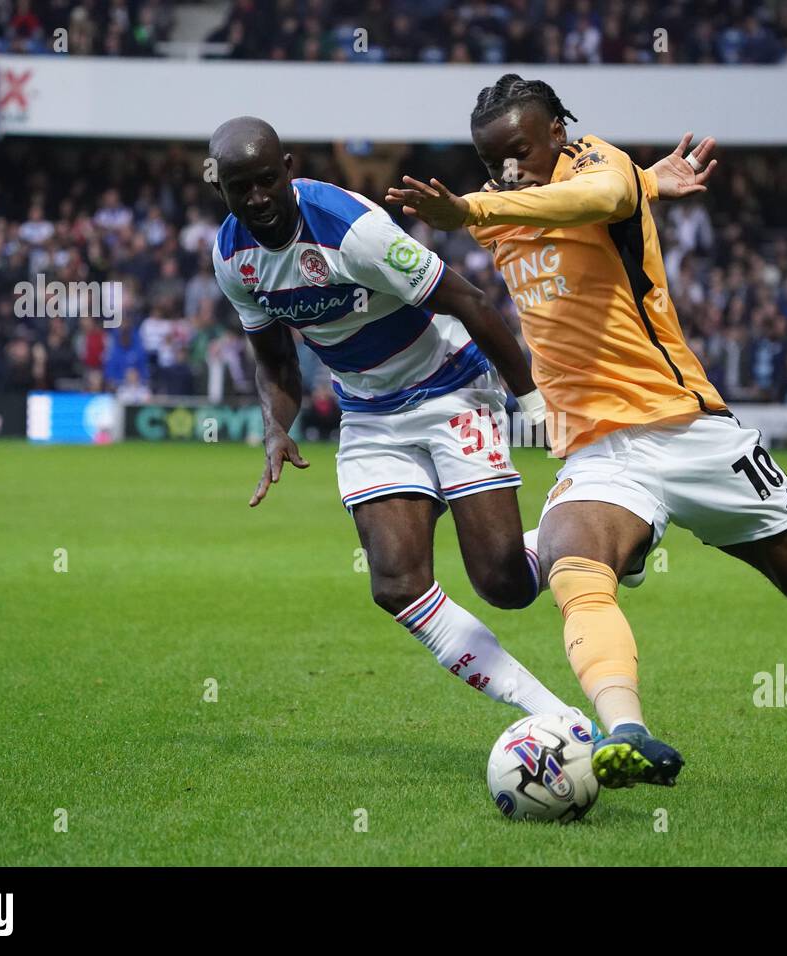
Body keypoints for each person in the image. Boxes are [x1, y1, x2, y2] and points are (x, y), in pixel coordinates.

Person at [387, 75, 787, 793]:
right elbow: (597, 202)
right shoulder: (493, 210)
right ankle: (626, 733)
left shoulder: (586, 166)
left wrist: (630, 184)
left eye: (519, 150)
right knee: (576, 573)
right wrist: (642, 187)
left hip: (690, 429)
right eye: (492, 161)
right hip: (599, 451)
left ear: (557, 134)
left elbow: (605, 199)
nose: (508, 169)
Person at [207, 115, 574, 719]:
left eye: (268, 180)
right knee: (396, 586)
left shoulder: (355, 232)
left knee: (503, 584)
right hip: (369, 414)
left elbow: (472, 303)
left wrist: (534, 405)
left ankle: (594, 527)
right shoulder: (231, 257)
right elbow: (274, 360)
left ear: (289, 170)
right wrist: (276, 425)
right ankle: (556, 718)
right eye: (240, 187)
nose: (258, 198)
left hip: (450, 389)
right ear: (217, 188)